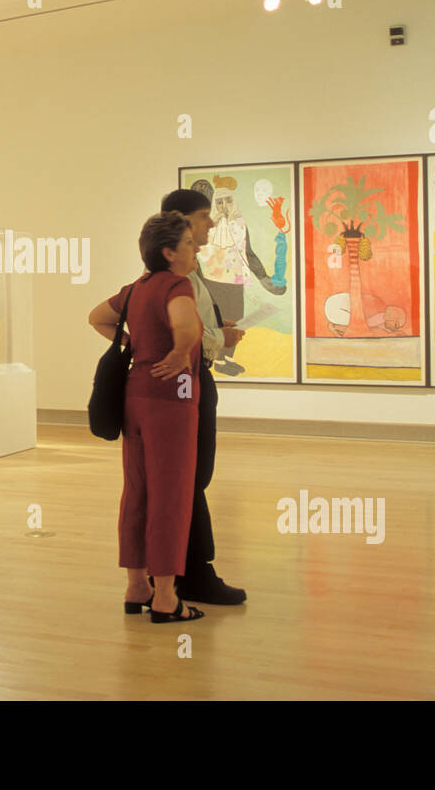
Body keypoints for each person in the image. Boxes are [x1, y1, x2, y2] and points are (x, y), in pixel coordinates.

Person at [88, 211, 205, 622]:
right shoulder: (177, 284)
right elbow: (184, 326)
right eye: (189, 243)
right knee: (170, 496)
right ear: (170, 252)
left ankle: (137, 585)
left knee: (136, 492)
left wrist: (132, 342)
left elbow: (96, 316)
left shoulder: (136, 288)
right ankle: (166, 597)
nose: (196, 249)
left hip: (134, 399)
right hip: (172, 399)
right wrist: (177, 354)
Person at [159, 189, 247, 604]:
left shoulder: (179, 275)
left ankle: (175, 573)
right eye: (203, 216)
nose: (211, 223)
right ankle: (194, 572)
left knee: (191, 479)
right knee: (192, 478)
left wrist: (214, 326)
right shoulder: (174, 279)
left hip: (189, 381)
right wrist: (217, 338)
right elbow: (183, 334)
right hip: (189, 382)